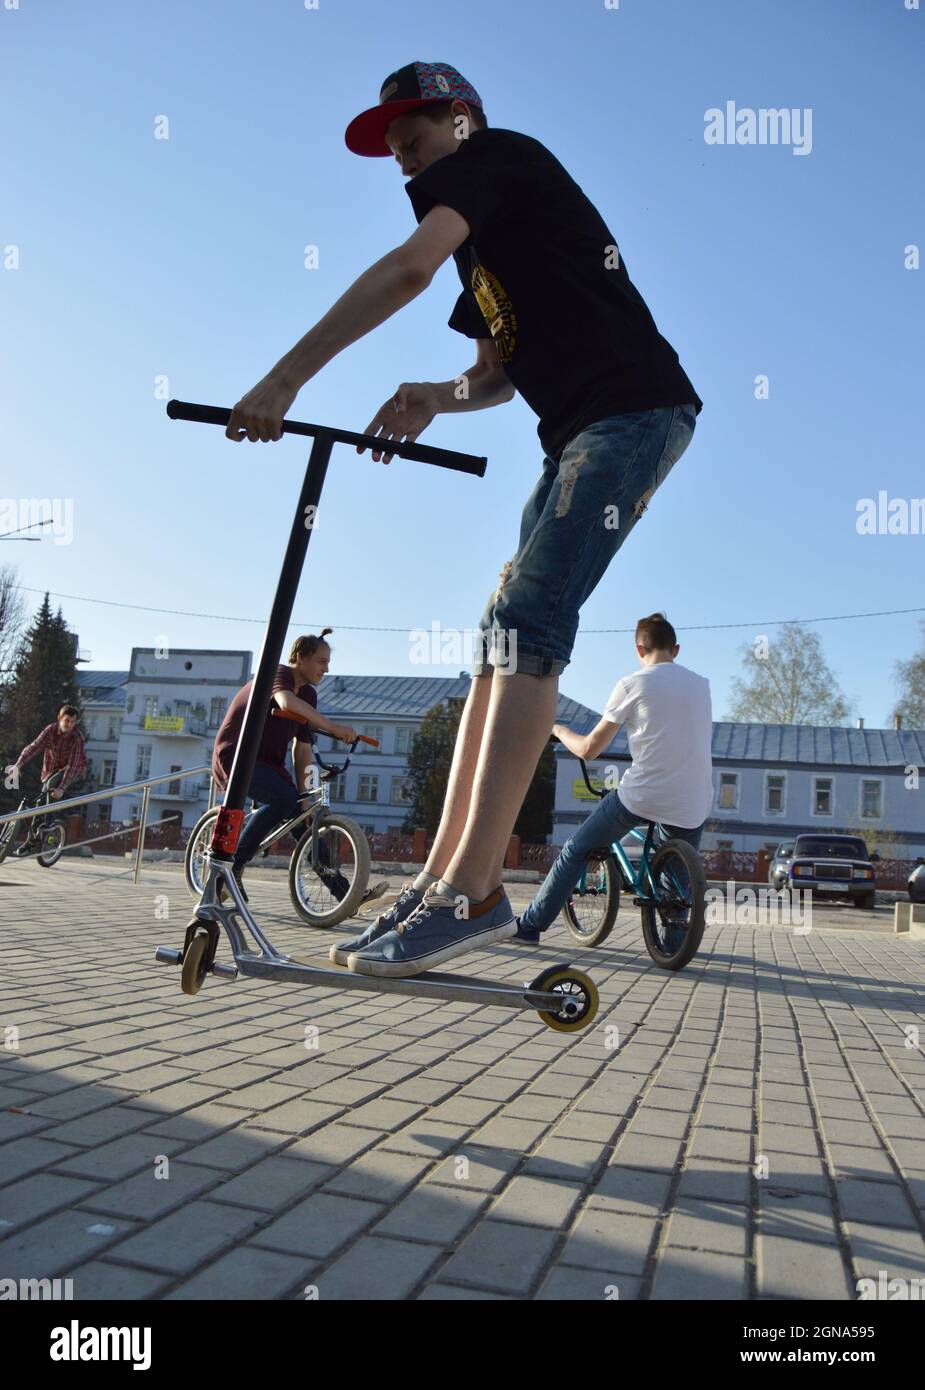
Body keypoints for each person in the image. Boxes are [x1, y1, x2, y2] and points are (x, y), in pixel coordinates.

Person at [223, 62, 702, 977]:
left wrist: (286, 380)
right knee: (496, 633)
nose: (406, 162)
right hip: (575, 435)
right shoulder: (485, 254)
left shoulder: (498, 161)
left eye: (417, 138)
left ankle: (478, 892)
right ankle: (442, 881)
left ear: (463, 121)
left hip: (634, 412)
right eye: (394, 152)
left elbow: (406, 269)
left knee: (528, 619)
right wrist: (435, 396)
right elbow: (495, 373)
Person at [514, 614, 713, 948]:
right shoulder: (702, 685)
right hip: (694, 799)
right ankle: (675, 943)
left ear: (639, 648)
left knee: (576, 849)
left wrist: (558, 730)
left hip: (643, 795)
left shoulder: (632, 684)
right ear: (676, 649)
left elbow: (590, 750)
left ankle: (531, 925)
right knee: (674, 872)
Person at [211, 629, 387, 904]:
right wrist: (333, 728)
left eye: (328, 663)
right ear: (299, 657)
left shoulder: (308, 696)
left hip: (269, 765)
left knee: (303, 820)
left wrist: (306, 799)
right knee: (282, 799)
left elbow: (302, 750)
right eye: (321, 661)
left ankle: (345, 896)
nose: (326, 669)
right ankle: (231, 868)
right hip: (237, 756)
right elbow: (284, 701)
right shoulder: (277, 674)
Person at [12, 704, 87, 854]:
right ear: (59, 718)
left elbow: (72, 766)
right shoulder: (50, 731)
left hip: (72, 772)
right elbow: (34, 747)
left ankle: (46, 823)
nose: (70, 725)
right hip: (50, 771)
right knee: (40, 801)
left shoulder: (77, 738)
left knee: (52, 785)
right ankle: (32, 839)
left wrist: (62, 787)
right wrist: (18, 764)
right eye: (67, 721)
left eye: (73, 722)